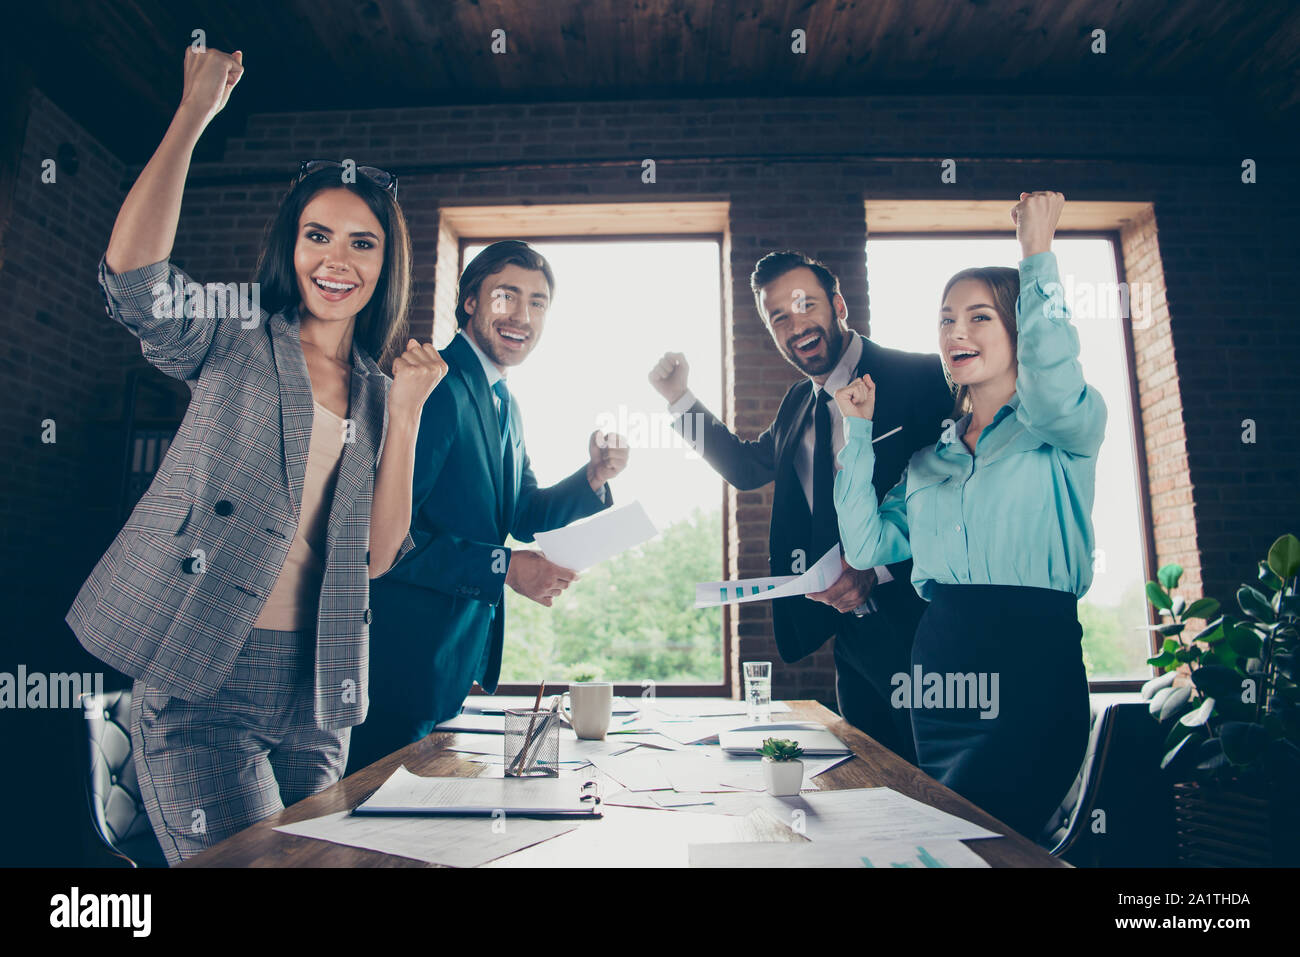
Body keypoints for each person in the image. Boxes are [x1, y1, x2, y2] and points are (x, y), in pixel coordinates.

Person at [64, 47, 446, 864]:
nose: (336, 260)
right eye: (317, 236)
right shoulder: (235, 338)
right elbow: (133, 278)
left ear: (386, 264)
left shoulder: (382, 392)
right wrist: (193, 114)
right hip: (205, 672)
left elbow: (378, 554)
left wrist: (408, 414)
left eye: (362, 244)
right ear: (292, 244)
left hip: (321, 686)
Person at [832, 191, 1103, 838]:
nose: (956, 332)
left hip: (1034, 658)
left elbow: (1055, 375)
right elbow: (867, 546)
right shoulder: (930, 461)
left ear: (1018, 328)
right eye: (946, 318)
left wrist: (1036, 255)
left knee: (1012, 834)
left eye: (979, 317)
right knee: (950, 834)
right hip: (942, 658)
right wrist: (858, 434)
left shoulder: (1063, 430)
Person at [649, 252, 953, 764]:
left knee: (936, 791)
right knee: (871, 781)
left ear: (838, 306)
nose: (796, 326)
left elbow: (952, 493)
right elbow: (747, 468)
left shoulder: (922, 376)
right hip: (849, 635)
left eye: (805, 306)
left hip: (924, 626)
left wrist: (875, 570)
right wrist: (679, 399)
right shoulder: (797, 403)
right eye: (779, 318)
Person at [345, 241, 629, 773]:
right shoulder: (437, 388)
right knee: (373, 841)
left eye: (538, 303)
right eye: (507, 297)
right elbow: (386, 540)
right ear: (471, 301)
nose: (523, 316)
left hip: (446, 666)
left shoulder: (504, 401)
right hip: (396, 667)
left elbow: (520, 512)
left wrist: (592, 477)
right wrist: (506, 568)